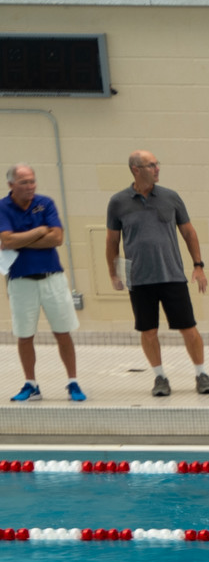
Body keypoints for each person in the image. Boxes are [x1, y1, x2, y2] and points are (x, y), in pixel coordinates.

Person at [104, 151, 209, 399]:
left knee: (189, 328)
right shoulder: (118, 202)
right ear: (135, 169)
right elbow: (112, 241)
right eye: (151, 165)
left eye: (157, 164)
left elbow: (189, 232)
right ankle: (160, 377)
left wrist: (198, 265)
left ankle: (201, 374)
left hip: (171, 274)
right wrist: (114, 273)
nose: (157, 169)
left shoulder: (170, 197)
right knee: (148, 331)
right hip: (139, 279)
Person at [4, 163, 82, 402]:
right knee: (24, 335)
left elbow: (57, 238)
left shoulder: (45, 203)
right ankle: (31, 384)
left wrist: (21, 240)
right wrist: (39, 231)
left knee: (63, 332)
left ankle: (73, 382)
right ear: (11, 185)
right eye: (24, 182)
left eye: (32, 181)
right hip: (21, 281)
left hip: (52, 278)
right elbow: (5, 241)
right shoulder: (2, 208)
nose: (30, 186)